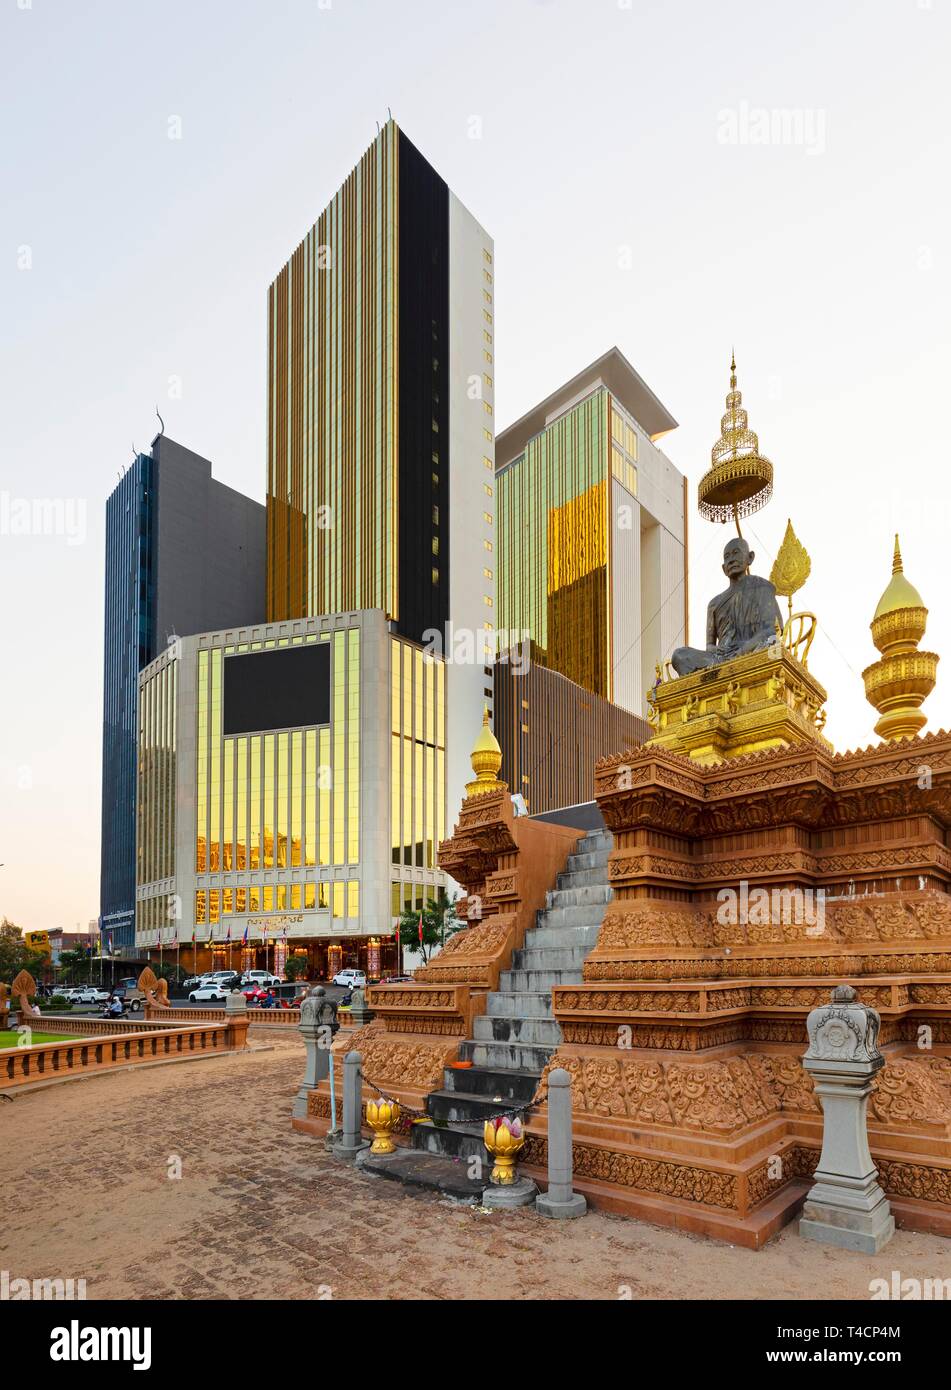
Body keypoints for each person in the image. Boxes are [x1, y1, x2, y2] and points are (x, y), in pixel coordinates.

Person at [671, 536, 783, 676]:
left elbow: (772, 629)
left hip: (752, 652)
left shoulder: (762, 587)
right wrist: (718, 650)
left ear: (750, 558)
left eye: (736, 553)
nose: (731, 560)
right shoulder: (714, 604)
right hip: (721, 659)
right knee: (679, 655)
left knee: (771, 642)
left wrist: (744, 648)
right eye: (727, 557)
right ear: (723, 568)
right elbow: (709, 646)